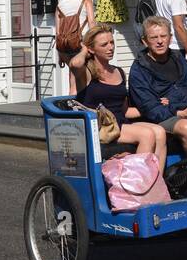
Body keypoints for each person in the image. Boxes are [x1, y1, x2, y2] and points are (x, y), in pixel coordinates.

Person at [69, 24, 166, 161]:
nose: (111, 47)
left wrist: (153, 105)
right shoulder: (87, 72)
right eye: (104, 44)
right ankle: (137, 180)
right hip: (101, 127)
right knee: (147, 134)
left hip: (120, 124)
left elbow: (125, 111)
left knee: (160, 132)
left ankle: (155, 180)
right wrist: (84, 50)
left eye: (112, 42)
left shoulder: (119, 72)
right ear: (92, 49)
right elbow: (75, 64)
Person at [129, 17, 187, 157]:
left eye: (163, 36)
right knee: (186, 127)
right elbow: (149, 107)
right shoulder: (139, 69)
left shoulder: (178, 58)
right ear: (144, 41)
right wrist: (180, 112)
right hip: (162, 118)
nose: (160, 41)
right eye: (154, 37)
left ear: (170, 37)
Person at [55, 0, 94, 96]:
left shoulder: (59, 6)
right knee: (87, 79)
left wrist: (60, 55)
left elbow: (58, 32)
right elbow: (92, 23)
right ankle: (85, 107)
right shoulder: (85, 0)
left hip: (65, 47)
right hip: (82, 45)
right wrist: (93, 44)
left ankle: (72, 109)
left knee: (73, 78)